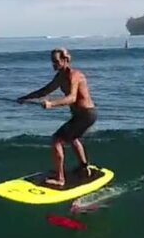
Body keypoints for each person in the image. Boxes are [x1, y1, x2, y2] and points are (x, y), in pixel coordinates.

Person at [19, 48, 97, 188]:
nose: (53, 65)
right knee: (72, 138)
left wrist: (51, 104)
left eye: (56, 61)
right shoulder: (60, 76)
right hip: (81, 115)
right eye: (52, 62)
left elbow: (72, 98)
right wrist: (25, 98)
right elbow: (44, 91)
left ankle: (60, 178)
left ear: (65, 60)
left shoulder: (74, 75)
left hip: (86, 114)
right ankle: (84, 167)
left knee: (57, 140)